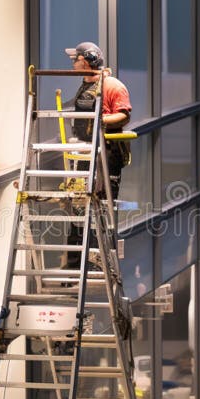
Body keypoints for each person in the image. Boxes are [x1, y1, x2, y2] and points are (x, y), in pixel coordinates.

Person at [64, 42, 131, 272]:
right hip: (83, 153)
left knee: (101, 208)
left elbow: (123, 116)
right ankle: (76, 263)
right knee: (79, 206)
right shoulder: (85, 85)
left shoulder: (112, 86)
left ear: (89, 59)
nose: (73, 63)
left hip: (106, 155)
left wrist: (99, 121)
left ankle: (99, 262)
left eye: (77, 59)